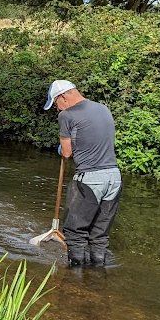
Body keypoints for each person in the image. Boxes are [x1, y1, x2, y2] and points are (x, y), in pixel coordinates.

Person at [45, 80, 122, 267]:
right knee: (99, 234)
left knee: (75, 232)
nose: (57, 109)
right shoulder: (103, 108)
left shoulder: (66, 115)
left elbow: (67, 152)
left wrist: (60, 149)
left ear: (63, 97)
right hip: (114, 177)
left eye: (56, 104)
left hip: (90, 179)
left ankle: (74, 278)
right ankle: (96, 277)